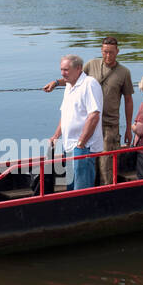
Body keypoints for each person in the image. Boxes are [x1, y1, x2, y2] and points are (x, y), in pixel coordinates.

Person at [43, 36, 133, 184]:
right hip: (88, 123)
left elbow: (128, 101)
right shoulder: (92, 65)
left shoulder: (124, 72)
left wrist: (128, 128)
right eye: (105, 52)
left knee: (106, 164)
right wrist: (56, 83)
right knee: (88, 163)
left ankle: (106, 191)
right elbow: (73, 77)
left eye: (111, 52)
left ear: (117, 51)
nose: (108, 56)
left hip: (109, 123)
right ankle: (91, 188)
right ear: (101, 51)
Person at [49, 55, 103, 191]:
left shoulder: (89, 84)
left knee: (81, 190)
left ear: (78, 69)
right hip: (69, 146)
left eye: (66, 70)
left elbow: (94, 115)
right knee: (71, 188)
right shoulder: (69, 86)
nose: (63, 73)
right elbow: (66, 114)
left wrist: (81, 143)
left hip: (83, 147)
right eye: (61, 69)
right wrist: (56, 136)